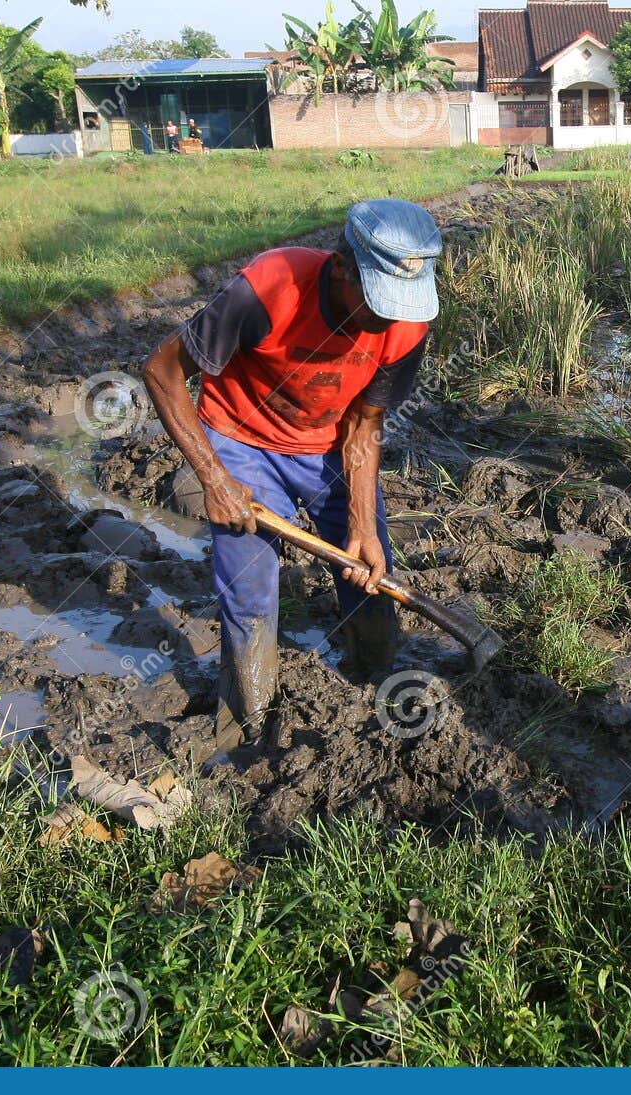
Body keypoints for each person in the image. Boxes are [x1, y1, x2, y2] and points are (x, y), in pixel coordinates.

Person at [142, 199, 440, 751]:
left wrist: (364, 525)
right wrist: (214, 478)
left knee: (370, 572)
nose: (386, 319)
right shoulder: (271, 287)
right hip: (240, 440)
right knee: (249, 594)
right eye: (377, 302)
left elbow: (365, 421)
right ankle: (246, 728)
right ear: (342, 266)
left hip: (329, 448)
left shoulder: (406, 326)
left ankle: (371, 684)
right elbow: (161, 369)